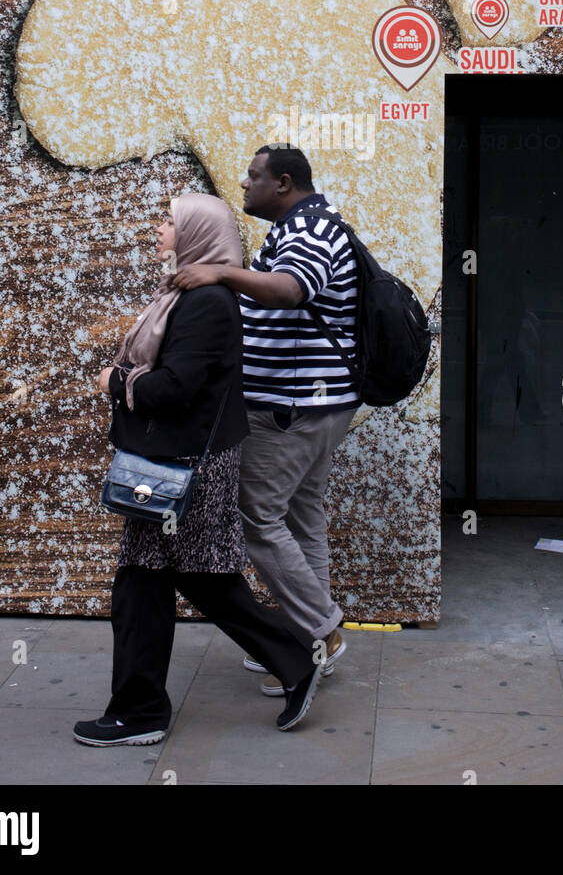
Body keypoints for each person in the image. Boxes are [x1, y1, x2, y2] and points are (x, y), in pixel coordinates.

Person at [73, 192, 324, 746]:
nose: (159, 229)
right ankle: (144, 707)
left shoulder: (205, 303)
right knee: (160, 581)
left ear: (196, 235)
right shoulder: (185, 294)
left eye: (170, 221)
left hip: (188, 467)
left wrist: (117, 382)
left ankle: (142, 712)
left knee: (182, 580)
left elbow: (176, 387)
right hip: (173, 462)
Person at [173, 147, 360, 697]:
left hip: (291, 409)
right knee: (302, 516)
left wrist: (220, 273)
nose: (244, 184)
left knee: (259, 518)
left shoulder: (309, 229)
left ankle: (321, 631)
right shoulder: (304, 225)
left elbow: (291, 290)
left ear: (282, 183)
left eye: (253, 177)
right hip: (308, 406)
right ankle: (310, 639)